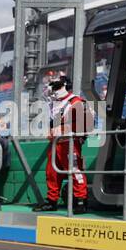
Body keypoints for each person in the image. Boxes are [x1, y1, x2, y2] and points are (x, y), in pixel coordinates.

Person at [32, 75, 92, 213]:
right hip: (56, 143)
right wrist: (52, 131)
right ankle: (52, 201)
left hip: (70, 143)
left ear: (65, 86)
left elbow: (87, 124)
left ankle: (81, 200)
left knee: (75, 171)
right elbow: (55, 123)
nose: (53, 89)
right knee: (52, 172)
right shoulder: (54, 103)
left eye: (57, 86)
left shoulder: (76, 101)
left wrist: (68, 131)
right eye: (53, 86)